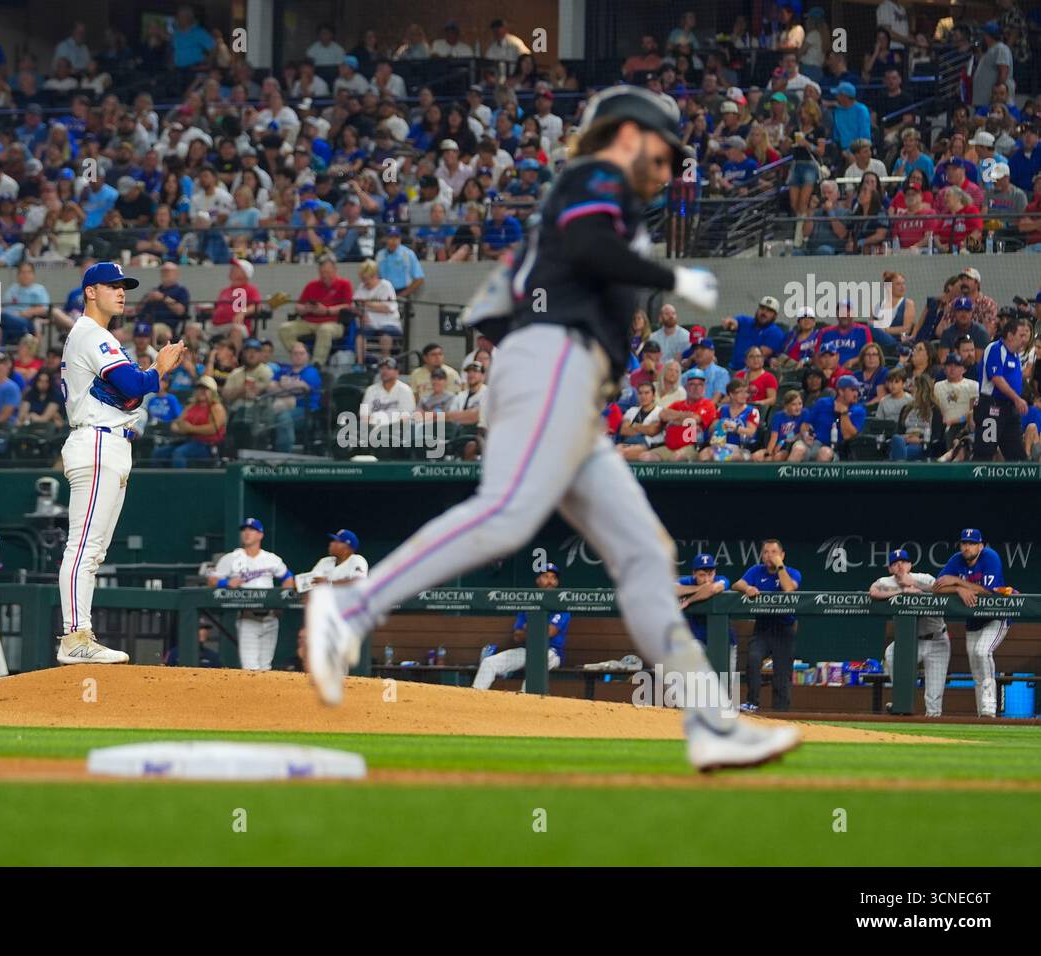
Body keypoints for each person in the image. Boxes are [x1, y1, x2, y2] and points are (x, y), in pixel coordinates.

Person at [303, 86, 800, 771]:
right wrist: (665, 275)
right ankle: (350, 611)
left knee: (645, 557)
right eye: (660, 150)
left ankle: (710, 720)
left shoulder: (603, 199)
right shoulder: (595, 176)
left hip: (570, 385)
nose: (665, 167)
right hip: (553, 362)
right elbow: (589, 249)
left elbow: (498, 305)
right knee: (507, 515)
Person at [58, 262, 184, 663]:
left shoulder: (98, 337)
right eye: (111, 285)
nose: (121, 291)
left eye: (123, 286)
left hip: (109, 443)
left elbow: (128, 398)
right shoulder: (91, 334)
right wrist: (157, 369)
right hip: (97, 443)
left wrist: (145, 379)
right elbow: (134, 385)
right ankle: (73, 637)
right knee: (83, 547)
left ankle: (81, 635)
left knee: (93, 553)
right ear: (90, 291)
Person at [934, 529, 1009, 717]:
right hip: (974, 621)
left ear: (981, 546)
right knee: (976, 671)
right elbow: (937, 587)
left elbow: (989, 591)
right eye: (964, 543)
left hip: (996, 617)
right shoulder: (956, 560)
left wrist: (957, 581)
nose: (967, 547)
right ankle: (982, 715)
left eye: (972, 543)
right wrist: (958, 589)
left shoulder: (990, 557)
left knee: (982, 651)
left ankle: (990, 706)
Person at [205, 518, 296, 670]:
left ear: (260, 535)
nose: (247, 533)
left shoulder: (271, 559)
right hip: (248, 618)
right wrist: (225, 583)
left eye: (252, 529)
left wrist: (281, 601)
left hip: (271, 617)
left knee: (266, 667)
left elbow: (288, 577)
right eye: (244, 529)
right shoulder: (232, 558)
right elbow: (212, 580)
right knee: (250, 668)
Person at [870, 549, 949, 718]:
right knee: (891, 653)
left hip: (937, 640)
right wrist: (901, 593)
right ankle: (901, 699)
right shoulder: (887, 581)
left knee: (934, 699)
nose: (899, 565)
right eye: (895, 563)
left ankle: (932, 729)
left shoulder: (924, 578)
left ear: (910, 565)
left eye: (903, 562)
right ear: (890, 569)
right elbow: (873, 591)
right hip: (912, 641)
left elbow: (941, 590)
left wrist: (917, 586)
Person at [473, 564, 568, 691]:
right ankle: (475, 698)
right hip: (528, 650)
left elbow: (550, 632)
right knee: (489, 662)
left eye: (553, 578)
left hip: (552, 653)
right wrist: (534, 629)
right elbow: (517, 636)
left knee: (537, 665)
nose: (549, 581)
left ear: (556, 582)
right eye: (545, 576)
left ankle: (525, 702)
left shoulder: (561, 605)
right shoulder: (528, 603)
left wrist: (528, 627)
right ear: (538, 580)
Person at [734, 540, 802, 713]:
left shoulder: (793, 572)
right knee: (753, 659)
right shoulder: (756, 571)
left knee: (782, 673)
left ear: (782, 555)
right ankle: (752, 703)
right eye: (766, 552)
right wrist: (748, 587)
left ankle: (781, 712)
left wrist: (780, 567)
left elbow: (789, 589)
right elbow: (737, 584)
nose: (769, 555)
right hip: (763, 628)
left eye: (774, 552)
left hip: (784, 628)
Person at [973, 317, 1031, 461]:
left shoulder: (1015, 355)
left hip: (1010, 409)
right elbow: (996, 378)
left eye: (1026, 336)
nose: (1024, 340)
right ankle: (977, 483)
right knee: (985, 451)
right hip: (992, 407)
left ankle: (1019, 483)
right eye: (1021, 335)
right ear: (1010, 335)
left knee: (1017, 453)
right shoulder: (996, 349)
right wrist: (1017, 398)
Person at [676, 554, 736, 673]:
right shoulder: (687, 581)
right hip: (698, 641)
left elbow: (713, 589)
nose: (707, 579)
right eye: (702, 575)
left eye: (710, 574)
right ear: (694, 573)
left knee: (725, 686)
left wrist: (689, 600)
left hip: (724, 642)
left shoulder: (722, 579)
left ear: (715, 572)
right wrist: (698, 589)